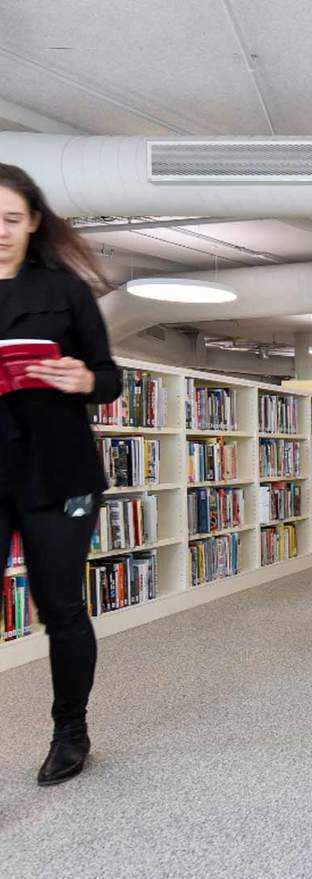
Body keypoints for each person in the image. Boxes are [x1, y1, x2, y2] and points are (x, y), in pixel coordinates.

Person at [0, 163, 122, 786]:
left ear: (34, 223)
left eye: (11, 219)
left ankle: (70, 731)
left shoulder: (66, 290)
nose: (0, 231)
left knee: (62, 608)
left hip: (59, 472)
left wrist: (82, 380)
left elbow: (109, 376)